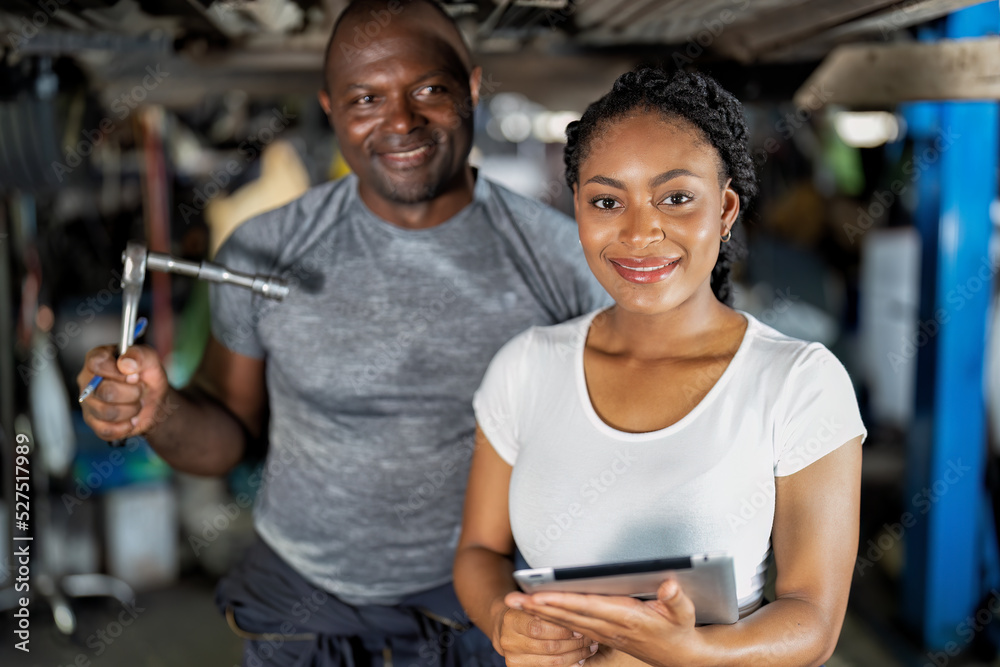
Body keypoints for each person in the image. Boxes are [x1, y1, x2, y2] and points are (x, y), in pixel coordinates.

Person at [76, 1, 608, 665]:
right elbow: (225, 437)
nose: (401, 122)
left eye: (429, 91)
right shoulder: (265, 250)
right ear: (331, 109)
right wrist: (159, 410)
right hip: (304, 607)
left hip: (484, 609)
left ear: (472, 87)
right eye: (367, 99)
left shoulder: (562, 259)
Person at [454, 67, 866, 667]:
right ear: (578, 207)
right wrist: (502, 619)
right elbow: (479, 552)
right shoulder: (526, 367)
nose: (640, 231)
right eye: (606, 200)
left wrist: (693, 651)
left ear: (725, 209)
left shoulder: (798, 382)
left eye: (675, 198)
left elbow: (814, 618)